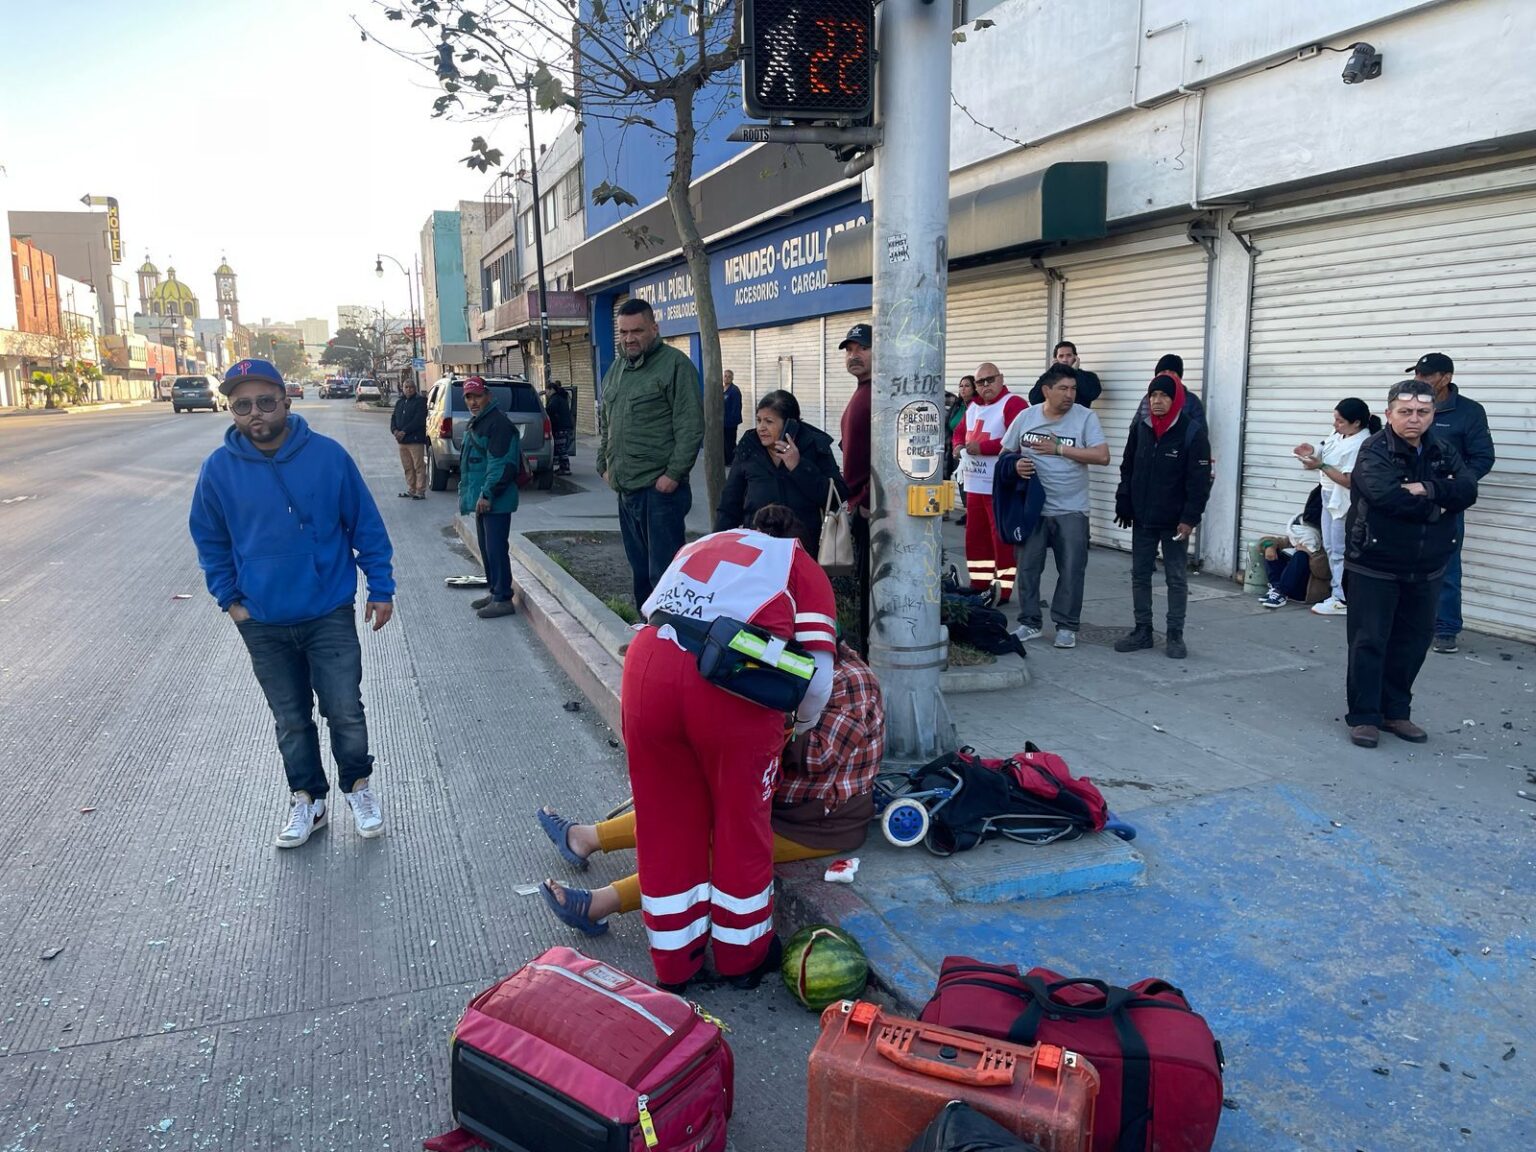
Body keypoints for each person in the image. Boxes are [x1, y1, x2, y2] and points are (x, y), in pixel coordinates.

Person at [609, 503, 838, 991]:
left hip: (647, 670)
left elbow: (653, 612)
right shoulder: (799, 564)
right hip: (729, 688)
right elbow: (816, 679)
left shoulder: (701, 544)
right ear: (801, 538)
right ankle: (743, 957)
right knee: (741, 824)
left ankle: (675, 961)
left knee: (665, 820)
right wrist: (797, 726)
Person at [535, 635, 884, 938]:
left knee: (712, 852)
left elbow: (817, 758)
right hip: (774, 798)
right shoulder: (798, 666)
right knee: (682, 808)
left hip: (817, 822)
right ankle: (584, 839)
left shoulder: (850, 682)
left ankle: (599, 904)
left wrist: (765, 728)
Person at [188, 357, 393, 848]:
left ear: (285, 400)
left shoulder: (327, 457)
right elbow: (210, 539)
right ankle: (309, 800)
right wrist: (230, 600)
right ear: (231, 410)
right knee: (291, 718)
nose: (255, 413)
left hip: (328, 612)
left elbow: (365, 525)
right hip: (262, 620)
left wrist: (380, 587)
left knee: (344, 709)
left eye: (264, 401)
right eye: (242, 405)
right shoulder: (218, 470)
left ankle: (359, 790)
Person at [1343, 380, 1479, 747]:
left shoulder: (1443, 449)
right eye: (1405, 412)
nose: (1414, 419)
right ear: (1389, 414)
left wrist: (1427, 489)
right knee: (1370, 642)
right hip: (1375, 563)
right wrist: (1442, 501)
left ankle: (1395, 712)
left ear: (1433, 414)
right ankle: (1364, 717)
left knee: (1413, 642)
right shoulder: (1374, 450)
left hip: (1429, 565)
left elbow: (1468, 489)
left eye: (1422, 412)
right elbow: (1387, 497)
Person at [596, 299, 704, 608]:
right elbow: (607, 421)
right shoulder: (617, 369)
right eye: (623, 332)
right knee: (640, 572)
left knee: (666, 573)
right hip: (626, 491)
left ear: (654, 329)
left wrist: (672, 476)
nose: (629, 338)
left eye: (637, 331)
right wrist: (603, 464)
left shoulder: (675, 365)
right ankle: (647, 636)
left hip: (660, 494)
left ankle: (669, 638)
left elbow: (690, 425)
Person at [1001, 364, 1109, 648]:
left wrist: (1059, 448)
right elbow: (1005, 453)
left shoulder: (1085, 418)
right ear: (1046, 391)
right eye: (1063, 388)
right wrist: (1016, 465)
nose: (1070, 395)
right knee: (1027, 568)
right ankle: (1029, 622)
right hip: (1031, 510)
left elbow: (1102, 456)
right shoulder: (1026, 417)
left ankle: (1066, 625)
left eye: (1073, 389)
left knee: (1072, 569)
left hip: (1071, 508)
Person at [1113, 372, 1213, 660]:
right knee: (1140, 576)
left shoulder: (1192, 433)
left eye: (1164, 396)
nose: (1157, 401)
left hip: (1174, 522)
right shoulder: (1141, 428)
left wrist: (1190, 518)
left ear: (1176, 399)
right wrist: (1124, 501)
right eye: (1153, 395)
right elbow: (1127, 468)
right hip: (1143, 518)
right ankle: (1142, 630)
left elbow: (1199, 481)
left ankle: (1174, 635)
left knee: (1176, 578)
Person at [1402, 353, 1494, 653]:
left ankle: (1445, 630)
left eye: (1425, 376)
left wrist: (1455, 486)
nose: (1418, 381)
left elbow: (1483, 457)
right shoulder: (1410, 406)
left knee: (1446, 565)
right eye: (1416, 374)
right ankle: (1410, 623)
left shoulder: (1468, 412)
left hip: (1444, 501)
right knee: (1402, 559)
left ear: (1445, 378)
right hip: (1407, 498)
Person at [715, 389, 844, 555]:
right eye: (759, 420)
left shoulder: (814, 446)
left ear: (790, 424)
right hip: (757, 548)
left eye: (769, 422)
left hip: (804, 549)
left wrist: (799, 467)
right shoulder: (749, 448)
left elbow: (836, 497)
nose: (761, 428)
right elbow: (729, 504)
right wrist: (719, 545)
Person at [1292, 398, 1380, 617]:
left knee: (1340, 548)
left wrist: (1321, 465)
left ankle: (1343, 597)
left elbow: (1349, 480)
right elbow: (1326, 450)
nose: (1335, 425)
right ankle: (1337, 592)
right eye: (1335, 419)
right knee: (1331, 546)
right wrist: (1311, 451)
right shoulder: (1339, 435)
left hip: (1344, 500)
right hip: (1327, 496)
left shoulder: (1361, 443)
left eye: (1340, 421)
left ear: (1356, 423)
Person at [957, 362, 1029, 602]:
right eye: (980, 382)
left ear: (1001, 379)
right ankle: (979, 584)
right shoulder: (973, 407)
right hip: (975, 484)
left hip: (1000, 486)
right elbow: (959, 431)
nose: (986, 386)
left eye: (990, 380)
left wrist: (984, 447)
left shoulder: (1013, 404)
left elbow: (1018, 438)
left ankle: (1003, 590)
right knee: (975, 537)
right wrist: (957, 445)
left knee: (1001, 539)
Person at [459, 377, 521, 619]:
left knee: (496, 548)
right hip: (484, 498)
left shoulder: (497, 424)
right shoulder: (480, 422)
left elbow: (501, 464)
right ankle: (495, 590)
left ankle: (503, 597)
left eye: (477, 396)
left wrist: (487, 494)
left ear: (488, 396)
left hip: (495, 498)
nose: (473, 402)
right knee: (487, 548)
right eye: (468, 397)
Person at [838, 323, 873, 653]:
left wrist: (866, 499)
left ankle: (871, 657)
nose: (854, 355)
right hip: (859, 505)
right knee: (864, 589)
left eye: (861, 347)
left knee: (871, 591)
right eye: (849, 350)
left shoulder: (878, 393)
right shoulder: (862, 391)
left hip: (871, 508)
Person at [1254, 487, 1330, 609]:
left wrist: (1311, 554)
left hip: (1305, 590)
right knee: (1274, 549)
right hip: (1289, 583)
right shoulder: (1296, 539)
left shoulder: (1325, 545)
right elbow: (1270, 540)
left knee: (1300, 556)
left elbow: (1324, 573)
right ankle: (1276, 588)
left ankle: (1281, 592)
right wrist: (1269, 547)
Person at [1027, 341, 1102, 408]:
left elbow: (1091, 395)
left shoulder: (1088, 376)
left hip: (1079, 421)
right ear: (1056, 359)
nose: (1065, 360)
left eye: (1068, 355)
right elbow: (1034, 400)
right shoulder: (1049, 378)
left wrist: (1074, 372)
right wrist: (1052, 370)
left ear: (1075, 358)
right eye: (1061, 356)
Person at [389, 377, 429, 499]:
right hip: (402, 441)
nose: (409, 389)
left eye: (411, 387)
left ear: (415, 388)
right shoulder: (400, 402)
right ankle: (411, 489)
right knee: (408, 467)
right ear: (402, 388)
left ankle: (420, 491)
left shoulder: (421, 401)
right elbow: (394, 418)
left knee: (418, 466)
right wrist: (395, 431)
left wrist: (404, 431)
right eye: (406, 387)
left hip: (415, 440)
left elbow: (418, 420)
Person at [948, 375, 976, 526]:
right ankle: (967, 511)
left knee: (970, 483)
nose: (963, 389)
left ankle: (971, 514)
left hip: (971, 450)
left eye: (967, 386)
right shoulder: (958, 405)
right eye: (961, 386)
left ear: (974, 389)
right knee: (961, 482)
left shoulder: (976, 406)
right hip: (956, 449)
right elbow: (952, 425)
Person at [545, 379, 575, 475]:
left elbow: (549, 411)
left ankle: (566, 468)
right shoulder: (561, 398)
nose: (546, 393)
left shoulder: (555, 399)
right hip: (565, 426)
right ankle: (563, 467)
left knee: (561, 449)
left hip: (561, 427)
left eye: (546, 391)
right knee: (561, 448)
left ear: (551, 390)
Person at [722, 369, 743, 466]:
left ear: (732, 378)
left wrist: (731, 421)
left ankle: (732, 461)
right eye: (725, 376)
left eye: (729, 376)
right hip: (723, 421)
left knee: (730, 442)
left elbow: (736, 407)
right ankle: (725, 460)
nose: (726, 378)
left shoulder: (734, 391)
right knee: (724, 442)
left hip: (730, 422)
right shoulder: (722, 389)